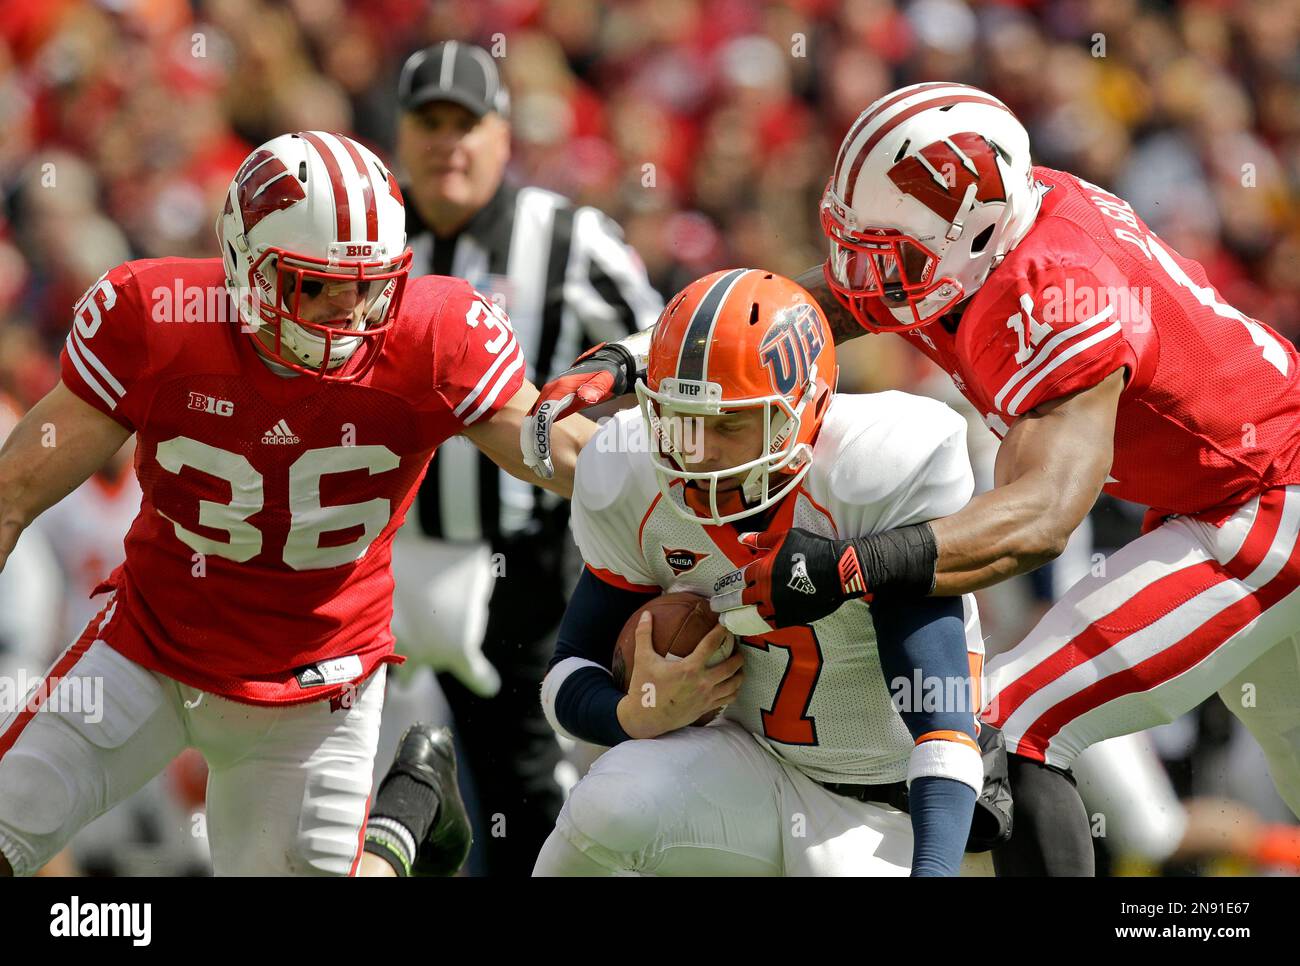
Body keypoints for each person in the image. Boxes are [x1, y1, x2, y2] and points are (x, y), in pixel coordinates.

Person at [522, 82, 1300, 876]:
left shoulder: (1053, 292)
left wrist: (849, 566)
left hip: (1264, 503)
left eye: (886, 256)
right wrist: (638, 354)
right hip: (1228, 491)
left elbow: (1043, 517)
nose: (863, 274)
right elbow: (811, 310)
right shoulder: (985, 241)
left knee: (1014, 721)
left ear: (979, 233)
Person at [0, 130, 591, 877]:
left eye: (368, 283)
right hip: (149, 649)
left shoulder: (433, 332)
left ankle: (405, 818)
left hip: (319, 683)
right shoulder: (158, 316)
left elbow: (563, 456)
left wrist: (662, 454)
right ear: (246, 264)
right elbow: (12, 492)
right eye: (316, 285)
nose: (348, 313)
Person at [534, 269, 988, 876]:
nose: (701, 452)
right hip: (746, 767)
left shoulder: (875, 473)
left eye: (731, 424)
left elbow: (944, 726)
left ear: (810, 411)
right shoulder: (636, 477)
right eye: (684, 422)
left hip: (880, 813)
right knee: (611, 805)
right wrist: (629, 715)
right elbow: (568, 668)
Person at [387, 41, 663, 876]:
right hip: (377, 553)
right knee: (354, 776)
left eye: (466, 124)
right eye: (429, 123)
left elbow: (666, 355)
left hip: (523, 560)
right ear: (401, 137)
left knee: (527, 787)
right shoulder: (366, 241)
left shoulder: (569, 239)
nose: (449, 144)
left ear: (503, 135)